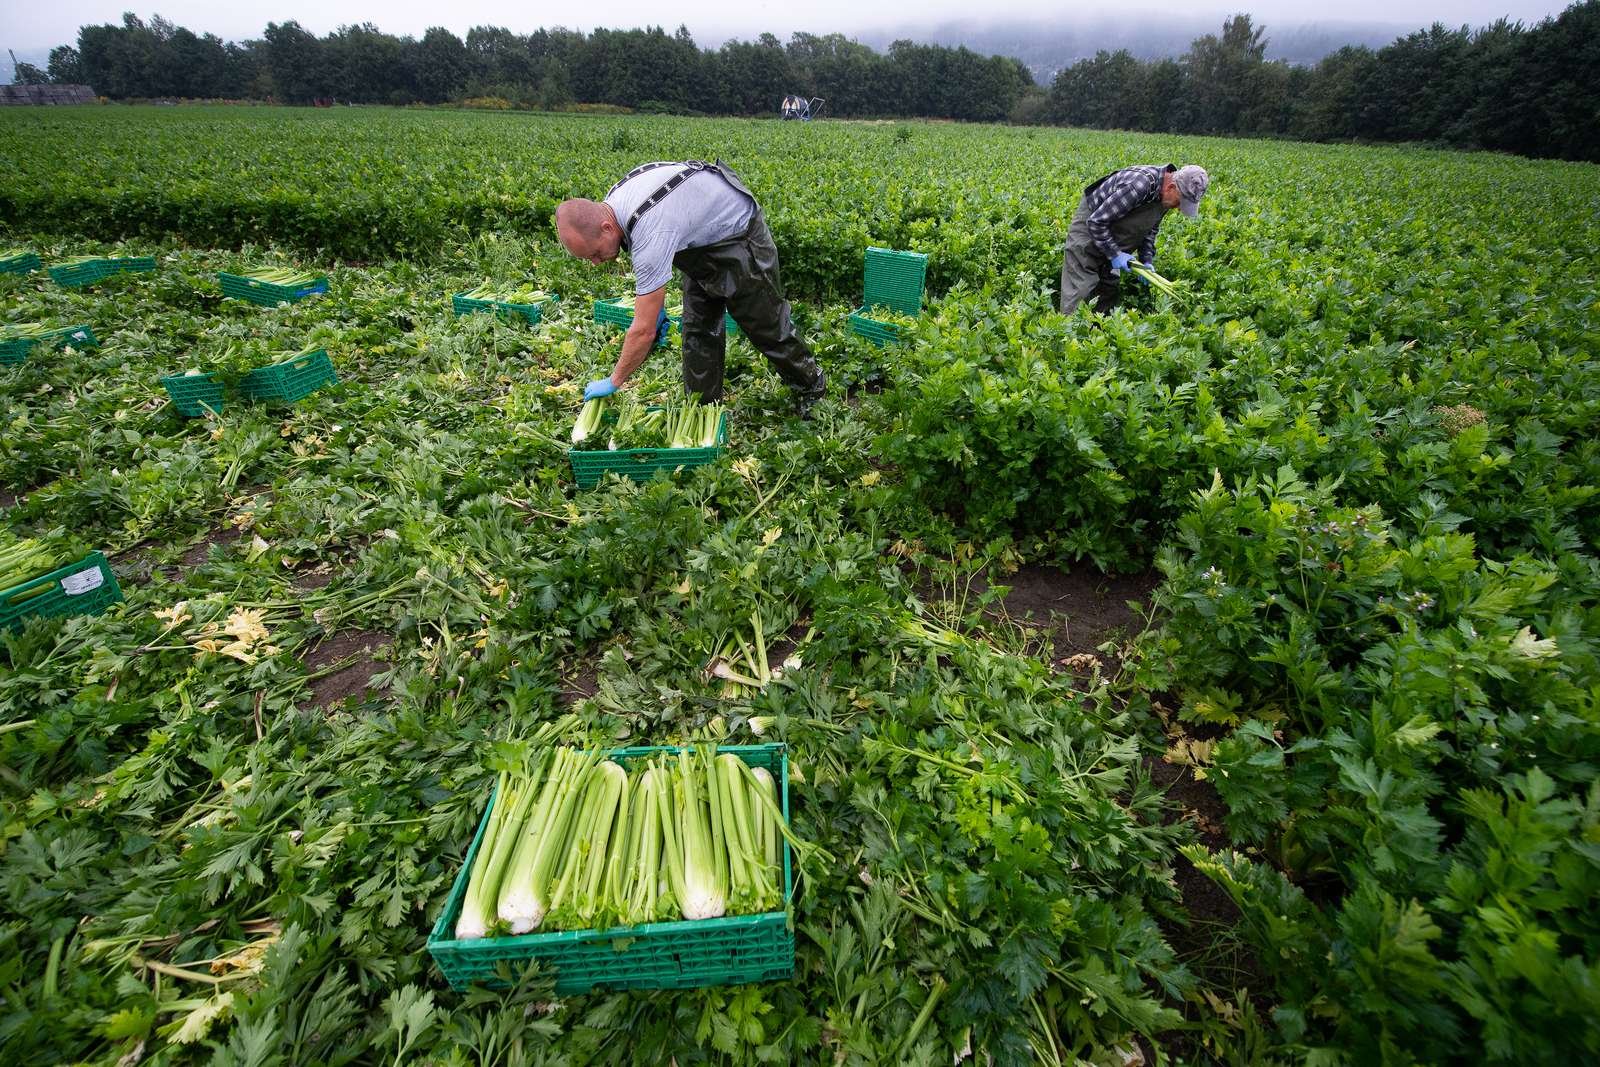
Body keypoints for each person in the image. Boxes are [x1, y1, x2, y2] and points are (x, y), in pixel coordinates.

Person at [556, 160, 826, 416]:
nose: (594, 262)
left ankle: (811, 387)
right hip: (698, 241)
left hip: (737, 234)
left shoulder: (650, 231)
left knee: (765, 324)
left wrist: (615, 380)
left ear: (605, 227)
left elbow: (643, 331)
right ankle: (703, 407)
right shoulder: (614, 205)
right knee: (697, 328)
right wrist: (655, 310)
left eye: (593, 253)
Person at [1059, 163, 1208, 315]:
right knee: (1081, 288)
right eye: (1179, 203)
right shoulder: (1138, 185)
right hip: (1091, 225)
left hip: (1113, 231)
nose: (1178, 208)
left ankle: (1098, 333)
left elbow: (1150, 229)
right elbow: (1096, 222)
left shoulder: (1166, 196)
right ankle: (1070, 333)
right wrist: (1115, 254)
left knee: (1108, 287)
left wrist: (1146, 260)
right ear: (1171, 187)